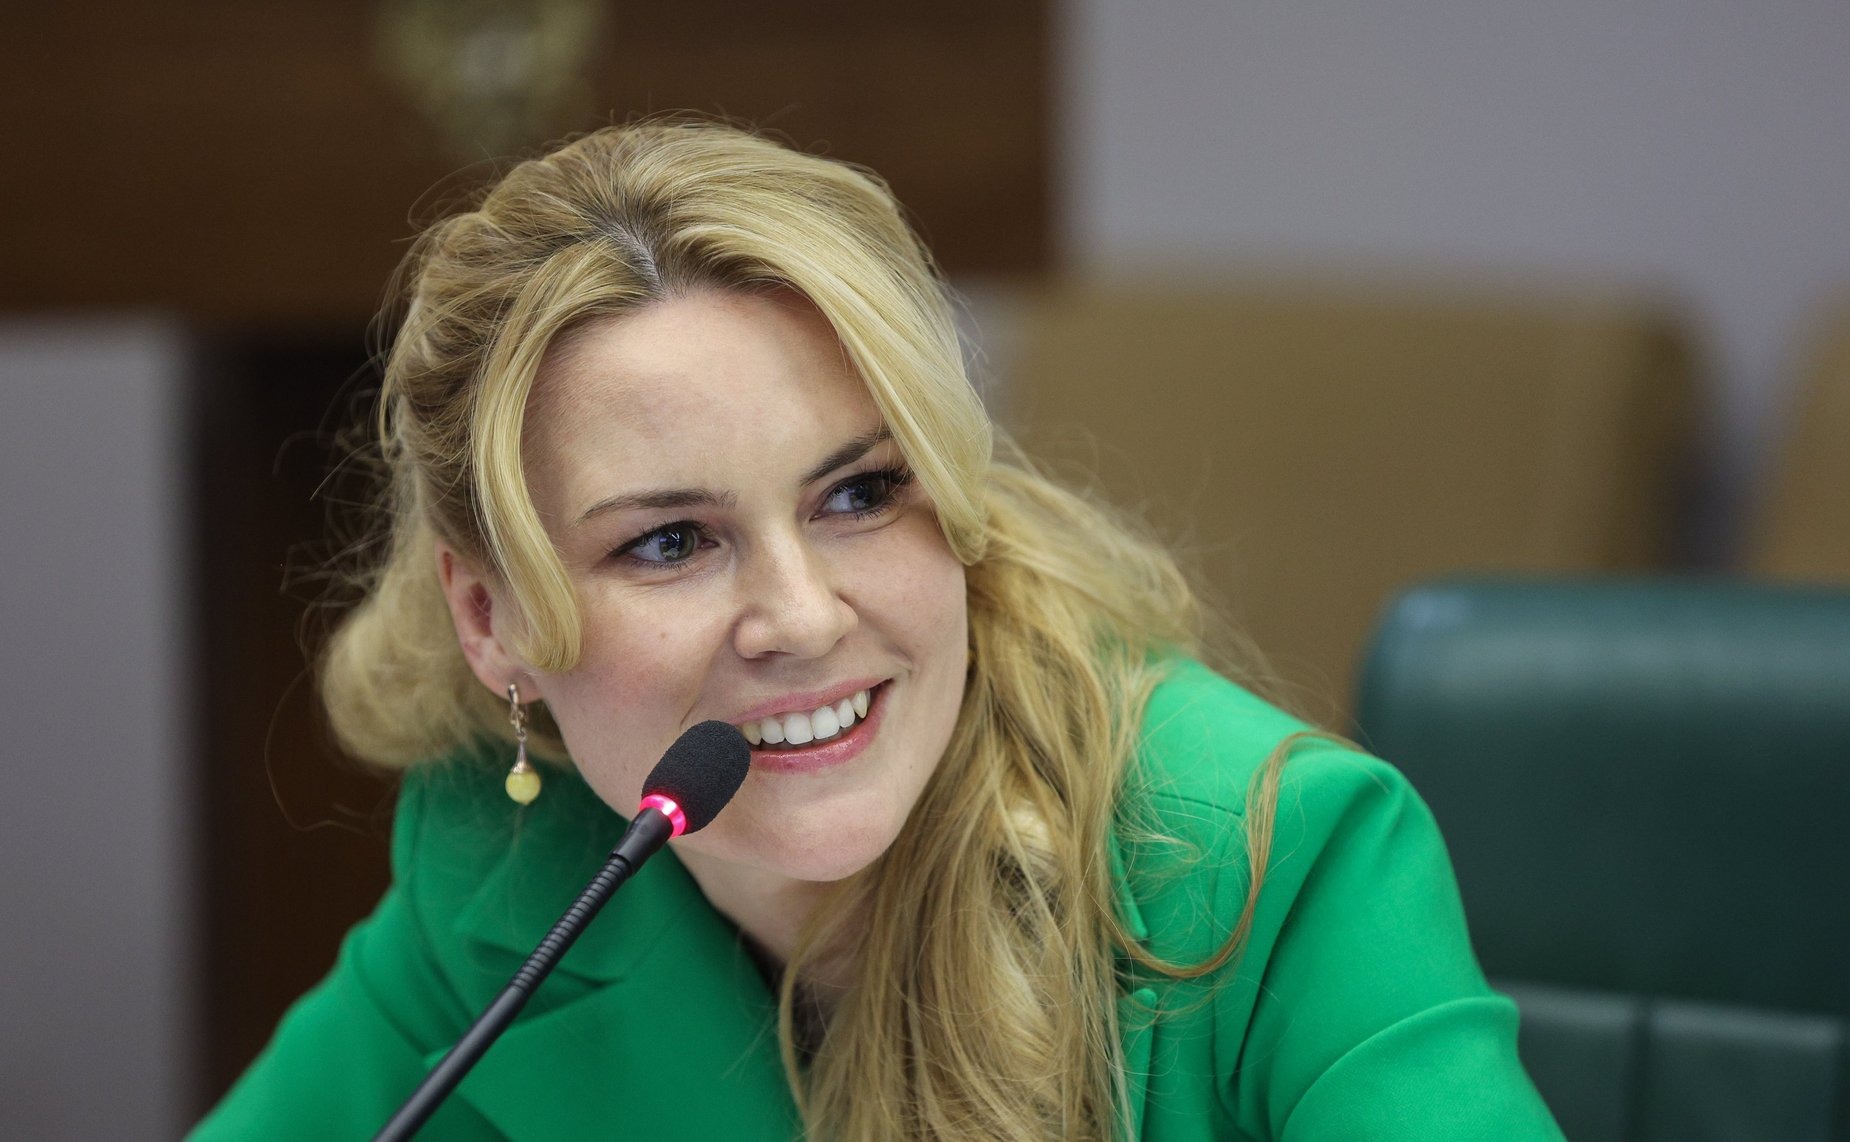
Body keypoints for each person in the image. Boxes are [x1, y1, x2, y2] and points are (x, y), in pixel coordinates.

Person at [193, 119, 1562, 1140]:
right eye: (669, 542)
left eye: (858, 494)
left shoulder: (1282, 860)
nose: (800, 617)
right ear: (489, 621)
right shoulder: (509, 869)